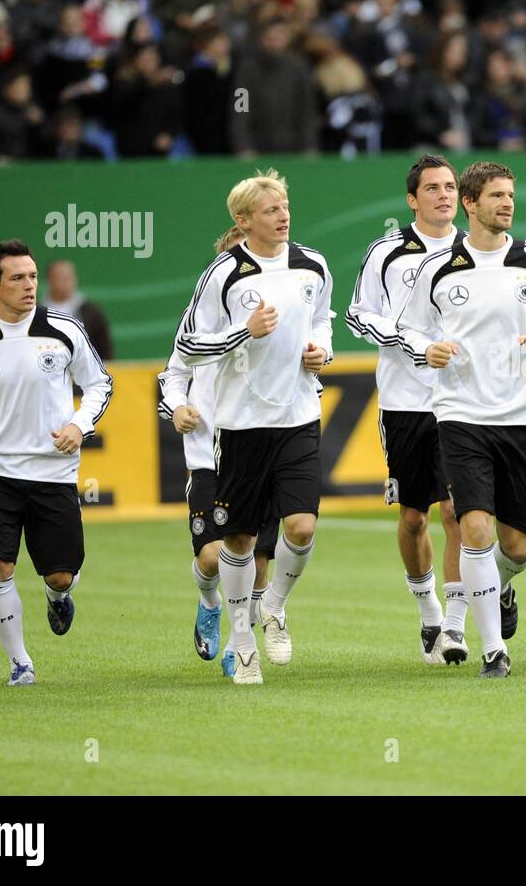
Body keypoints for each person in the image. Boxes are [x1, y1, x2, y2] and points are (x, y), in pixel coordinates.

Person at [395, 161, 526, 678]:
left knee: (516, 546)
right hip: (461, 414)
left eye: (511, 196)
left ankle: (501, 585)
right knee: (474, 528)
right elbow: (408, 328)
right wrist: (426, 349)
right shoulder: (438, 268)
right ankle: (494, 651)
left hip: (524, 416)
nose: (507, 204)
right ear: (471, 205)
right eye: (496, 196)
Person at [0, 240, 113, 686]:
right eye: (17, 278)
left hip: (54, 472)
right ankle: (20, 663)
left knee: (62, 573)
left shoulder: (65, 329)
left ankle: (57, 596)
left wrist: (78, 425)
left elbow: (100, 385)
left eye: (32, 276)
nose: (29, 285)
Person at [174, 169, 333, 685]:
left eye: (285, 205)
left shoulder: (313, 265)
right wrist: (243, 333)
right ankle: (242, 641)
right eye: (270, 209)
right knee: (238, 542)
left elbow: (323, 320)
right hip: (240, 425)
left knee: (302, 526)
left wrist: (322, 351)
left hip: (298, 416)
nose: (283, 215)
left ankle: (275, 608)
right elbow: (191, 346)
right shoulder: (224, 273)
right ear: (243, 220)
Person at [346, 155, 467, 665]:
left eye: (451, 186)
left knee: (458, 511)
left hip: (463, 400)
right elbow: (357, 315)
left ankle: (457, 627)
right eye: (433, 188)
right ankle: (429, 613)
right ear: (412, 200)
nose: (445, 195)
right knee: (416, 517)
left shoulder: (477, 249)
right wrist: (409, 340)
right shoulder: (388, 252)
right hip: (404, 401)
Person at [158, 229, 282, 677]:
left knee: (259, 563)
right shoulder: (199, 321)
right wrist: (178, 407)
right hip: (208, 454)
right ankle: (210, 602)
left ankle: (238, 642)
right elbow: (172, 373)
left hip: (260, 446)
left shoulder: (276, 319)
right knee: (213, 557)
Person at [42, 259, 114, 359]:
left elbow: (104, 349)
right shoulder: (37, 312)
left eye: (68, 277)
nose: (65, 282)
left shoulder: (90, 311)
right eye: (60, 277)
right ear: (49, 280)